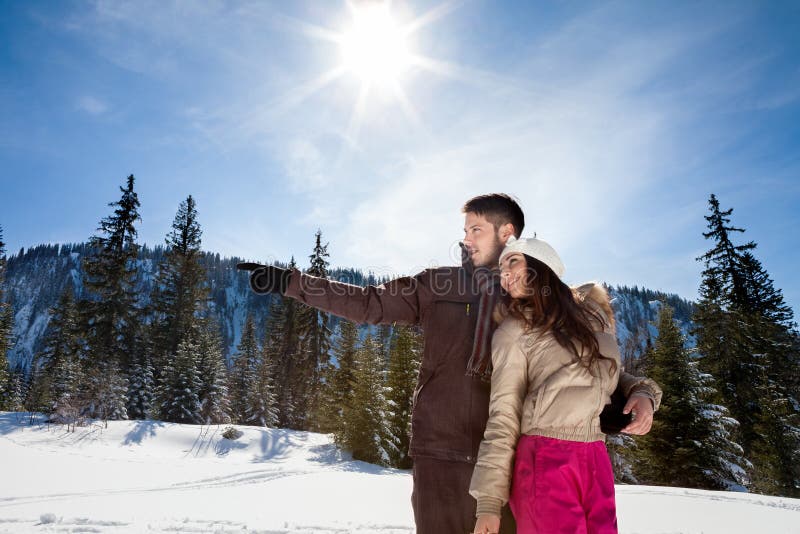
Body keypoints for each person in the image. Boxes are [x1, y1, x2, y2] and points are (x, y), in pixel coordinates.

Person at [238, 194, 660, 534]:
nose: (467, 239)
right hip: (440, 451)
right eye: (465, 231)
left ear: (507, 233)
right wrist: (289, 282)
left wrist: (639, 392)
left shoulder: (537, 299)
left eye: (476, 229)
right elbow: (367, 304)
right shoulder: (437, 285)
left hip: (511, 462)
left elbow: (584, 364)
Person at [470, 236, 661, 534]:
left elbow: (611, 378)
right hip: (545, 458)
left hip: (596, 456)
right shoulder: (514, 331)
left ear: (542, 264)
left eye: (513, 262)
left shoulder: (592, 322)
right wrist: (489, 502)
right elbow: (503, 415)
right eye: (501, 270)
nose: (504, 275)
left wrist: (644, 393)